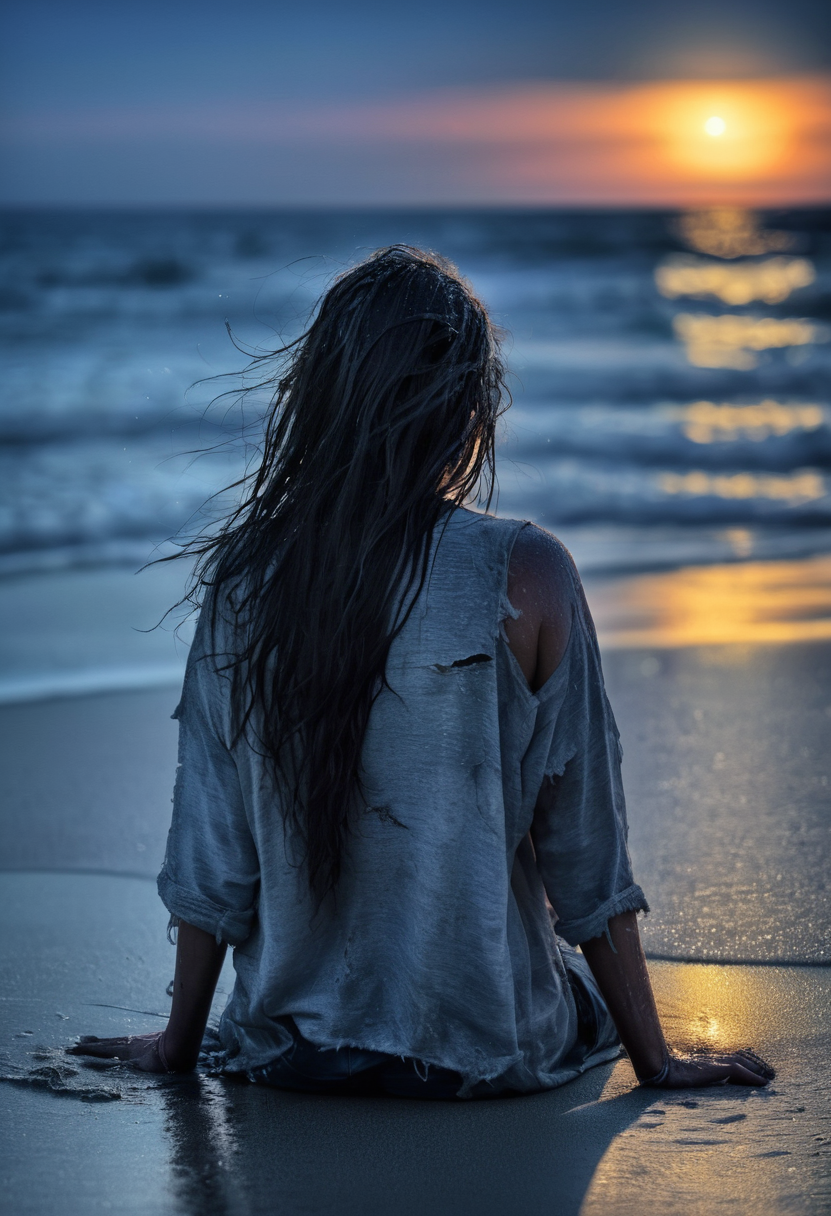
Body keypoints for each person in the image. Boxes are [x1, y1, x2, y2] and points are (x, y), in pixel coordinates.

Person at [70, 246, 774, 1097]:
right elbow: (584, 855)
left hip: (288, 1057)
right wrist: (657, 1062)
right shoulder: (527, 573)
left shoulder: (247, 577)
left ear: (321, 397)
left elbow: (213, 859)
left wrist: (179, 1049)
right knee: (571, 992)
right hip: (482, 1053)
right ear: (468, 407)